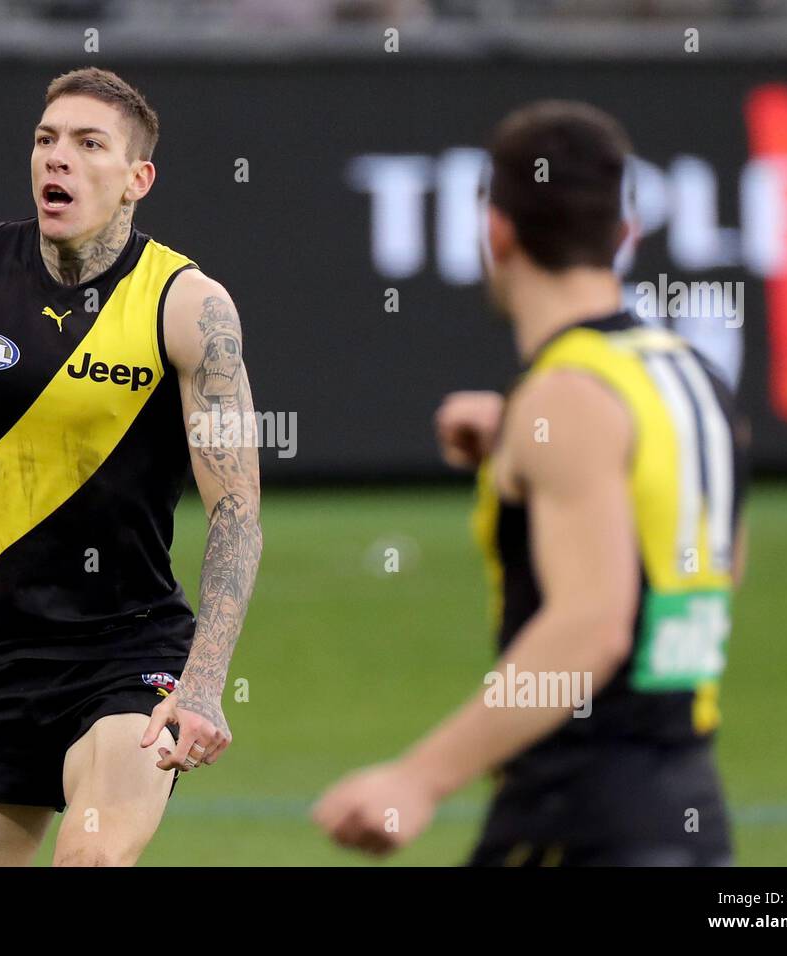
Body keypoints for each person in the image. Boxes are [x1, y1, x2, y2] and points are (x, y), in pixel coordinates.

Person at [315, 100, 747, 866]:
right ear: (626, 233)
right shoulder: (695, 381)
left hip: (574, 813)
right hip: (691, 806)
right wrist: (517, 436)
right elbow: (698, 557)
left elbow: (592, 628)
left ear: (496, 232)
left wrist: (419, 778)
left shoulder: (568, 396)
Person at [0, 67, 262, 866]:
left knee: (91, 858)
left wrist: (201, 682)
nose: (59, 159)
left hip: (130, 656)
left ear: (136, 181)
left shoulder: (188, 307)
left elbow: (236, 512)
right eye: (47, 140)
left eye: (91, 145)